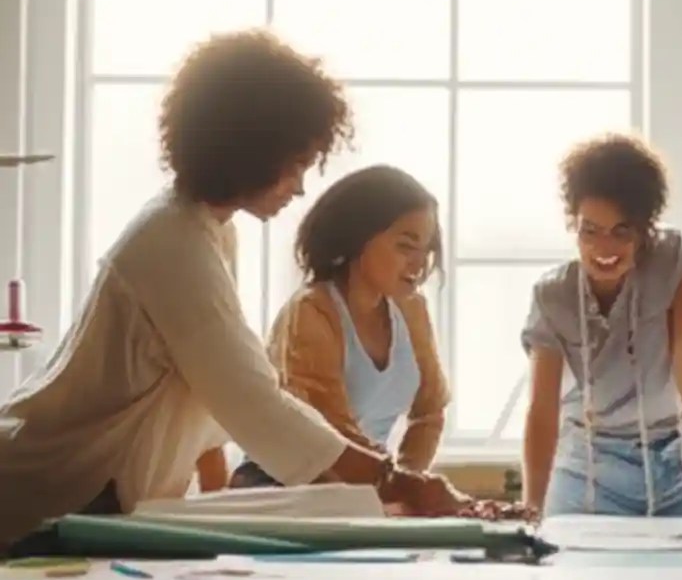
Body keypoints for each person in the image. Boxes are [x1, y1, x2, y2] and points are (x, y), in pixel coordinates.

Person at [0, 30, 478, 552]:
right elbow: (254, 400)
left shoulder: (211, 230)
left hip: (99, 493)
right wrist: (394, 479)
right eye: (296, 164)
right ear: (250, 147)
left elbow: (207, 390)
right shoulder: (173, 242)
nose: (299, 186)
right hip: (47, 488)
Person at [520, 132, 682, 518]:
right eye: (589, 231)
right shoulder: (552, 295)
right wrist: (531, 509)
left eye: (621, 231)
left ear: (644, 228)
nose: (604, 248)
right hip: (589, 468)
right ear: (573, 224)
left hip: (678, 465)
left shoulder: (674, 261)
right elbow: (542, 410)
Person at [228, 165, 444, 482]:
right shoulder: (311, 312)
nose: (420, 262)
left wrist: (409, 482)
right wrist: (397, 486)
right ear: (357, 237)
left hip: (363, 485)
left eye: (426, 249)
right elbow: (331, 432)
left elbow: (431, 411)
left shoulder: (412, 310)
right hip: (283, 485)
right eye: (405, 246)